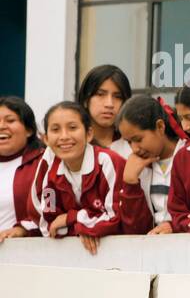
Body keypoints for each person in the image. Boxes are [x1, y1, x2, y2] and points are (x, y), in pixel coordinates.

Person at [30, 101, 129, 254]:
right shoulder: (48, 170)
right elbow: (49, 225)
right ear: (46, 139)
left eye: (72, 128)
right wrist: (81, 229)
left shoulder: (107, 162)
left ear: (89, 134)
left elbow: (117, 218)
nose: (64, 136)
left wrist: (72, 219)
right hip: (74, 256)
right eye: (55, 129)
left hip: (120, 253)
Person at [116, 96, 189, 235]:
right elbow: (135, 229)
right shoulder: (137, 167)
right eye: (128, 142)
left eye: (138, 139)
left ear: (160, 127)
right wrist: (130, 182)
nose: (134, 148)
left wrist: (175, 226)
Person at [0, 97, 43, 242]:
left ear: (29, 130)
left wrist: (23, 229)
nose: (2, 126)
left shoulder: (44, 162)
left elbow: (54, 210)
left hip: (21, 254)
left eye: (10, 120)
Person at [76, 64, 133, 158]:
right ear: (86, 100)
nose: (109, 104)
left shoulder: (134, 147)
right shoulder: (70, 143)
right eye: (100, 94)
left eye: (117, 97)